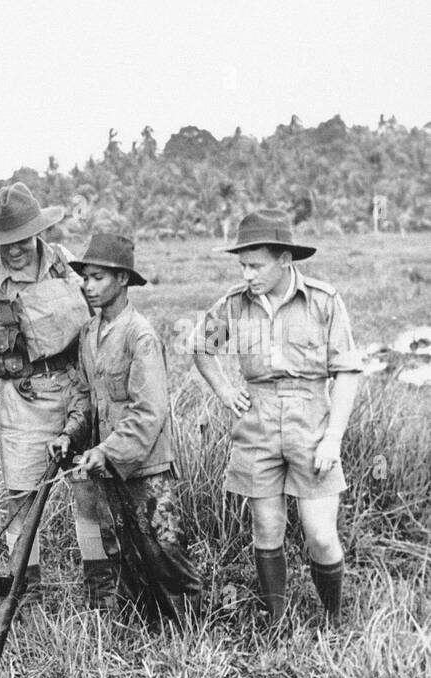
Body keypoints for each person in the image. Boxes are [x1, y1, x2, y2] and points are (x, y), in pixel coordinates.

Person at [193, 209, 363, 624]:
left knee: (320, 534)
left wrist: (333, 438)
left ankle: (333, 620)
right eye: (242, 266)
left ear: (285, 259)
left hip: (312, 422)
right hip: (258, 423)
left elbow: (346, 372)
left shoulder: (322, 301)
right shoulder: (234, 305)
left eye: (256, 265)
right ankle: (276, 620)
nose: (247, 274)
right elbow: (202, 348)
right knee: (267, 529)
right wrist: (224, 389)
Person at [0, 183, 98, 602]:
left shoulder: (66, 265)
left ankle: (100, 588)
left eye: (22, 238)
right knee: (22, 497)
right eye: (6, 241)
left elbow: (96, 313)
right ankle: (25, 591)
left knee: (88, 486)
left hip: (77, 386)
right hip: (23, 398)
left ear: (38, 231)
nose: (15, 249)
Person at [53, 233, 201, 621]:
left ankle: (189, 630)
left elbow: (149, 412)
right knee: (125, 549)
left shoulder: (141, 336)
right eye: (85, 277)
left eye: (97, 277)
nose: (88, 286)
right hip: (109, 469)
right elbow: (87, 397)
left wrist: (106, 452)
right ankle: (147, 628)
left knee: (164, 549)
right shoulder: (88, 334)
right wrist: (71, 434)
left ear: (122, 280)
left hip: (145, 468)